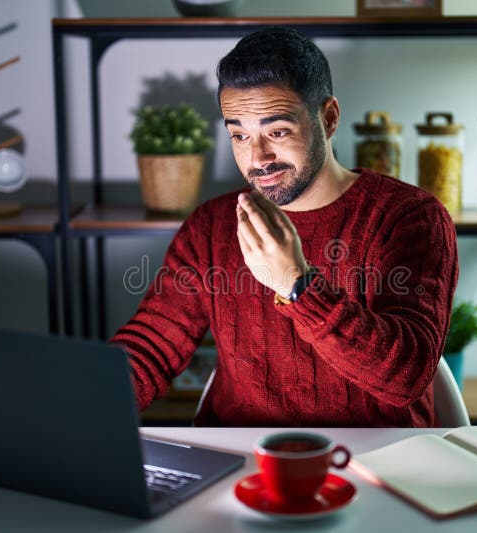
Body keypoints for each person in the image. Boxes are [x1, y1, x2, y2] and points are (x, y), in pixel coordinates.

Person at [111, 27, 458, 427]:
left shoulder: (409, 216)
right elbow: (151, 348)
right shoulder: (211, 226)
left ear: (328, 118)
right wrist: (81, 405)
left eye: (277, 132)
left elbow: (406, 378)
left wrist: (298, 285)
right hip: (244, 462)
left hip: (374, 461)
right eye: (239, 135)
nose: (257, 157)